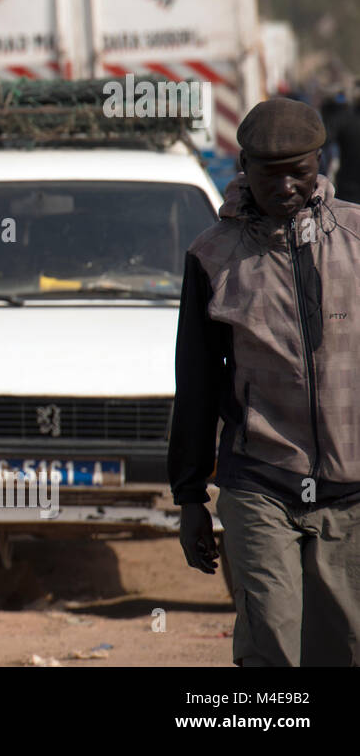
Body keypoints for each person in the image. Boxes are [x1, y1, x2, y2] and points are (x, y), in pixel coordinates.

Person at [171, 98, 360, 667]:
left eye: (297, 172)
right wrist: (189, 499)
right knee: (273, 647)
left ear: (319, 163)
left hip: (351, 491)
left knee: (343, 649)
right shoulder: (213, 257)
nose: (284, 186)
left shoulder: (357, 238)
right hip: (259, 482)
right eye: (269, 173)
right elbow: (197, 383)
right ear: (243, 169)